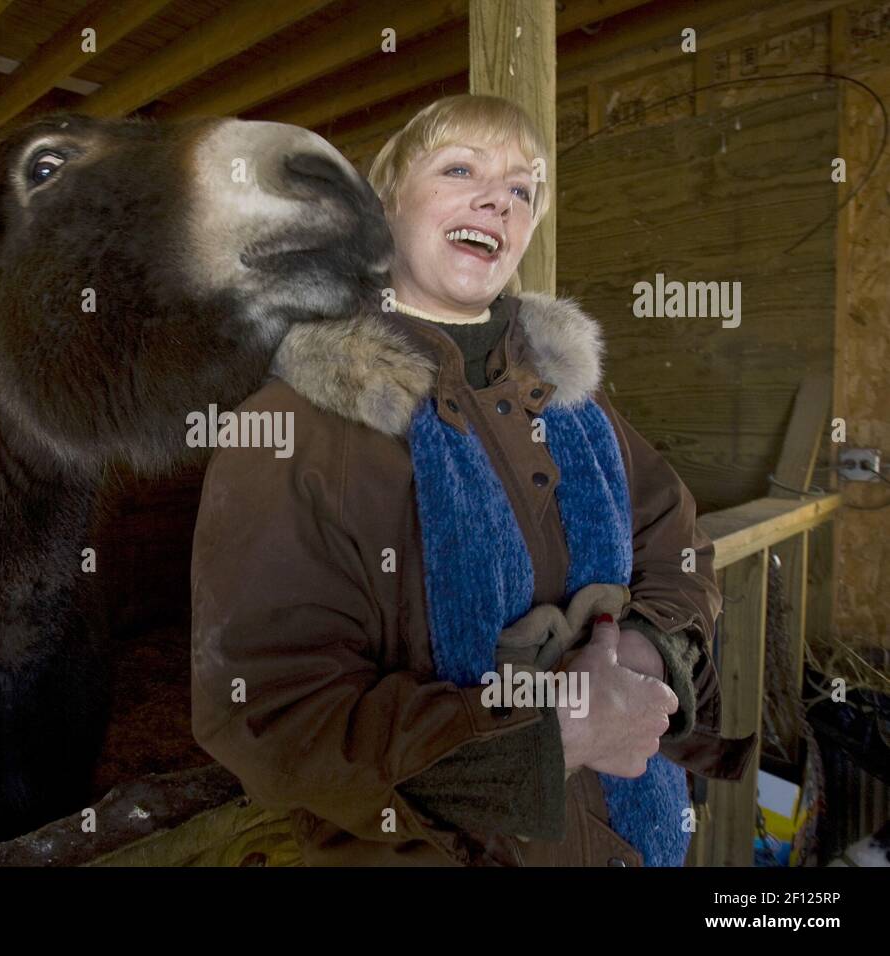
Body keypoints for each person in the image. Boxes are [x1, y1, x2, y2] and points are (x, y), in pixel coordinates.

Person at [189, 94, 757, 866]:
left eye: (522, 188)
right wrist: (557, 733)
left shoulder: (573, 402)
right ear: (383, 206)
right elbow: (270, 711)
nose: (499, 198)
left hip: (630, 837)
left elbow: (676, 542)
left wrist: (645, 654)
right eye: (461, 169)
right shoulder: (296, 426)